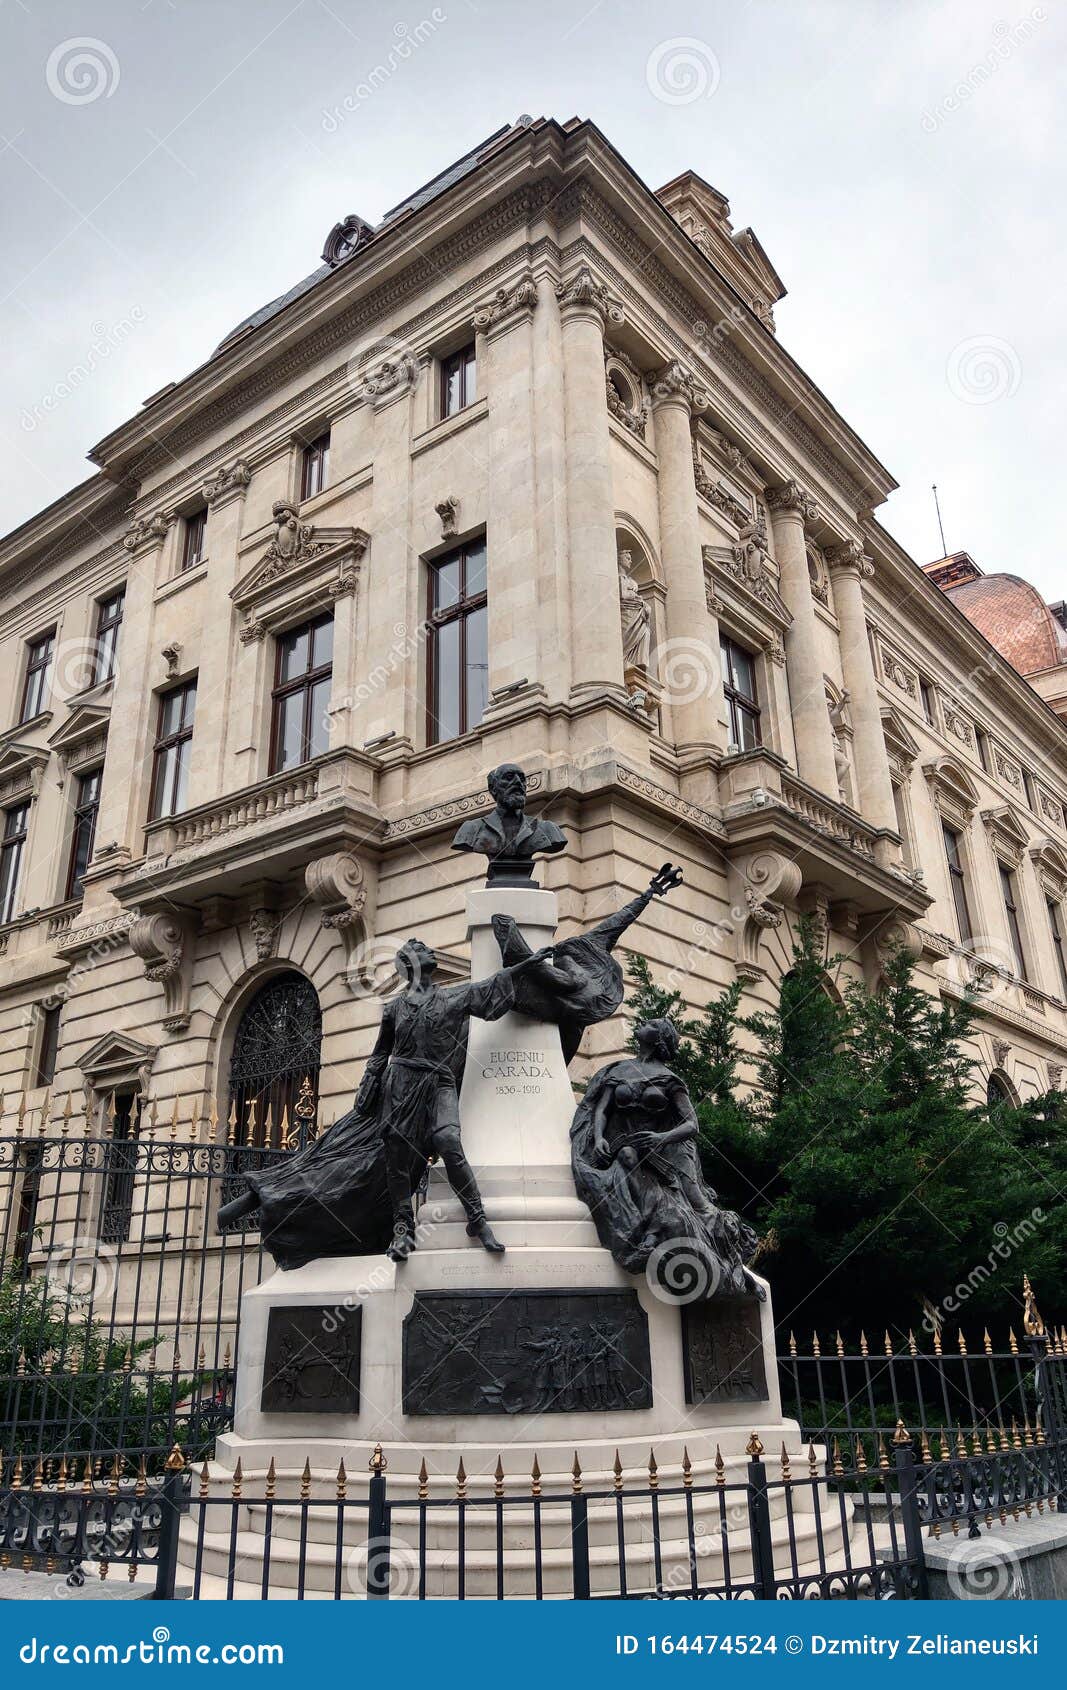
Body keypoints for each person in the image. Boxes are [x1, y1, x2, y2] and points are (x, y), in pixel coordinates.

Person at [216, 933, 552, 1267]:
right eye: (419, 949)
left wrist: (528, 965)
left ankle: (477, 1219)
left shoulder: (451, 997)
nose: (428, 950)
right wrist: (368, 1083)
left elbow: (490, 987)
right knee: (397, 1156)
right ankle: (402, 1228)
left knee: (448, 1140)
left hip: (438, 1082)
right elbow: (380, 1053)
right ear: (409, 965)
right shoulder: (394, 1008)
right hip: (400, 1083)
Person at [570, 1017, 764, 1301]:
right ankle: (646, 1232)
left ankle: (739, 1271)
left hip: (669, 1148)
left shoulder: (670, 1079)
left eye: (651, 1023)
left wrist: (661, 1138)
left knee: (700, 1207)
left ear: (659, 1038)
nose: (644, 1023)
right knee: (627, 1159)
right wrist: (598, 1138)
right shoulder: (618, 1070)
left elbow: (691, 1125)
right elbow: (601, 1110)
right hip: (627, 1144)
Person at [490, 862, 684, 1062]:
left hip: (593, 994)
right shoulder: (592, 946)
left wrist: (649, 893)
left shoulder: (597, 946)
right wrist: (649, 893)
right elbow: (623, 917)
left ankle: (519, 955)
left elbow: (623, 918)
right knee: (572, 992)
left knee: (574, 1015)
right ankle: (518, 953)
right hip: (584, 980)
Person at [451, 763, 567, 885]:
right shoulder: (472, 829)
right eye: (509, 777)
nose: (518, 782)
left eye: (522, 779)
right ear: (493, 789)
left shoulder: (547, 829)